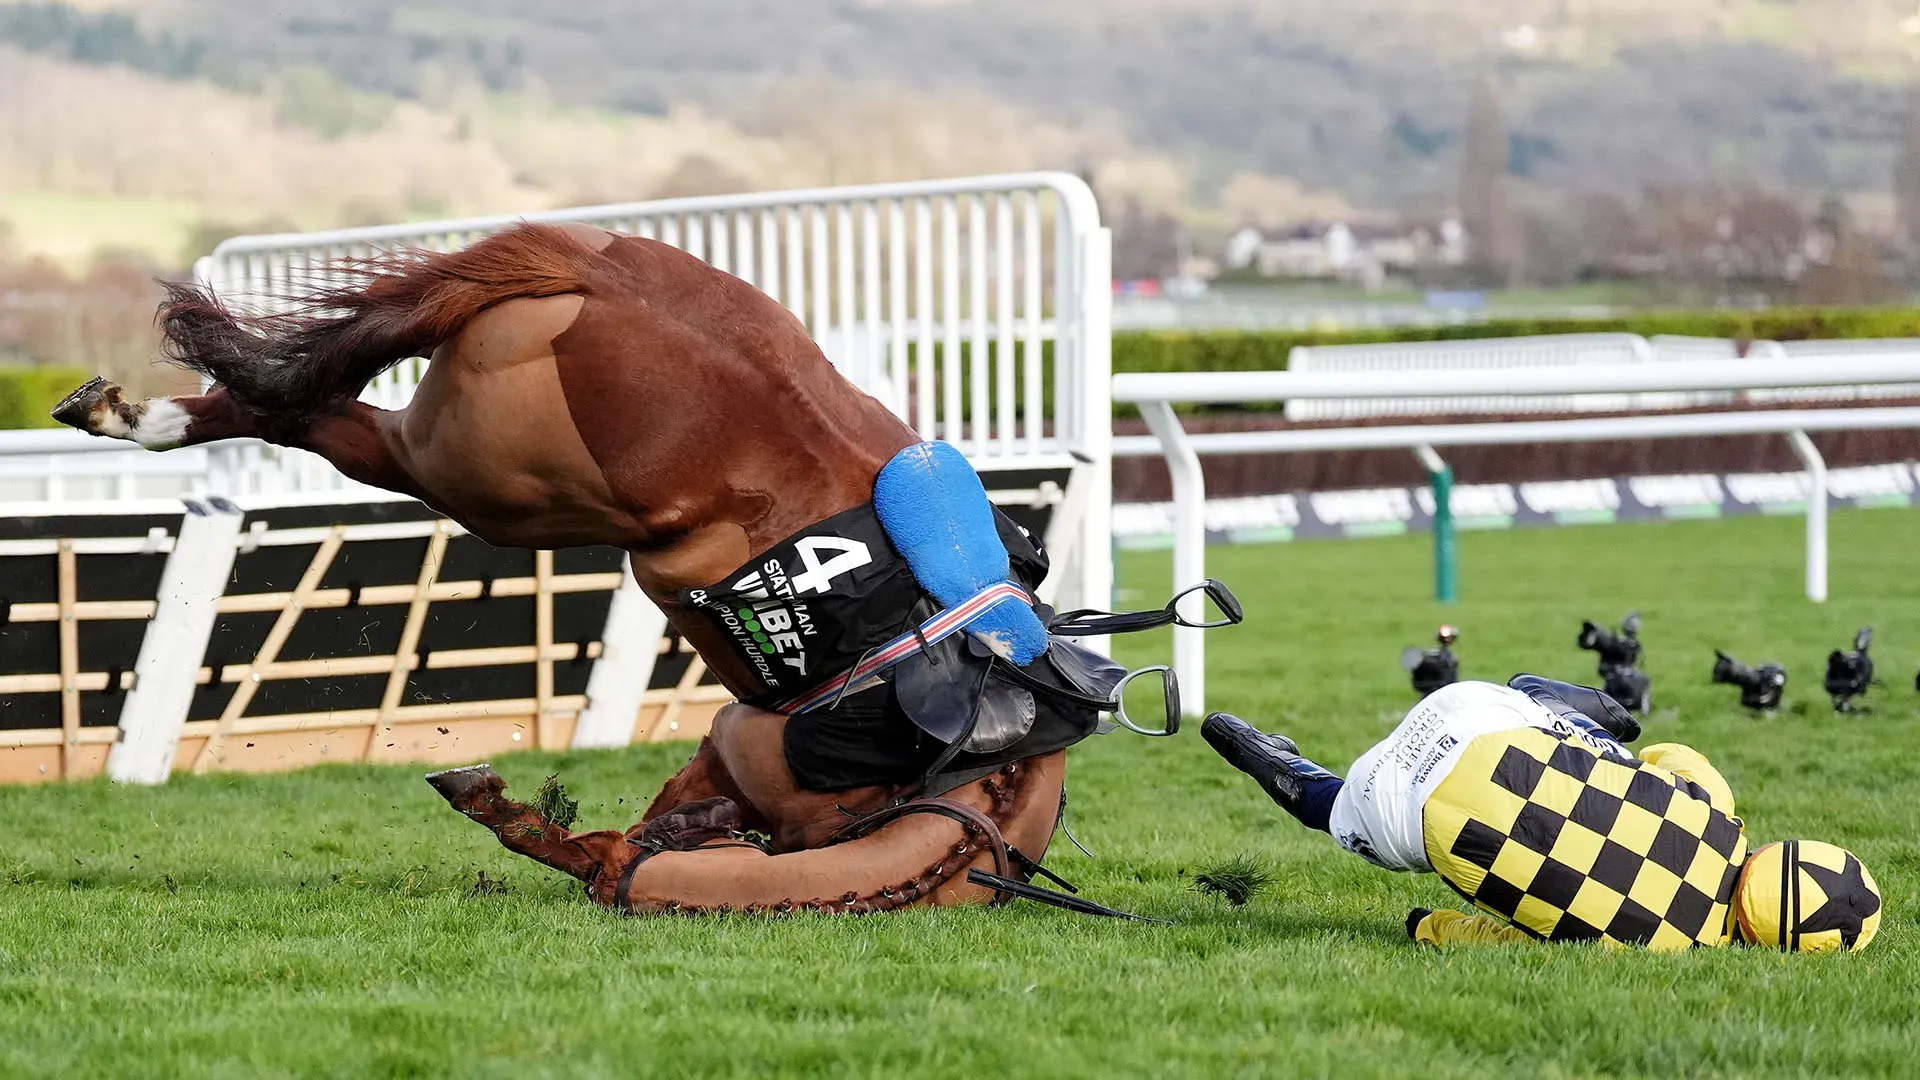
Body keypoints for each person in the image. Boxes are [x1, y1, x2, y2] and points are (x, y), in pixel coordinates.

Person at [1203, 676, 1881, 952]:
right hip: (1401, 806)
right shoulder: (1652, 949)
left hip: (1477, 710)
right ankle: (1285, 768)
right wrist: (1427, 926)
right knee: (1333, 817)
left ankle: (1542, 693)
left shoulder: (1718, 811)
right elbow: (1498, 942)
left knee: (1625, 759)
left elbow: (1674, 753)